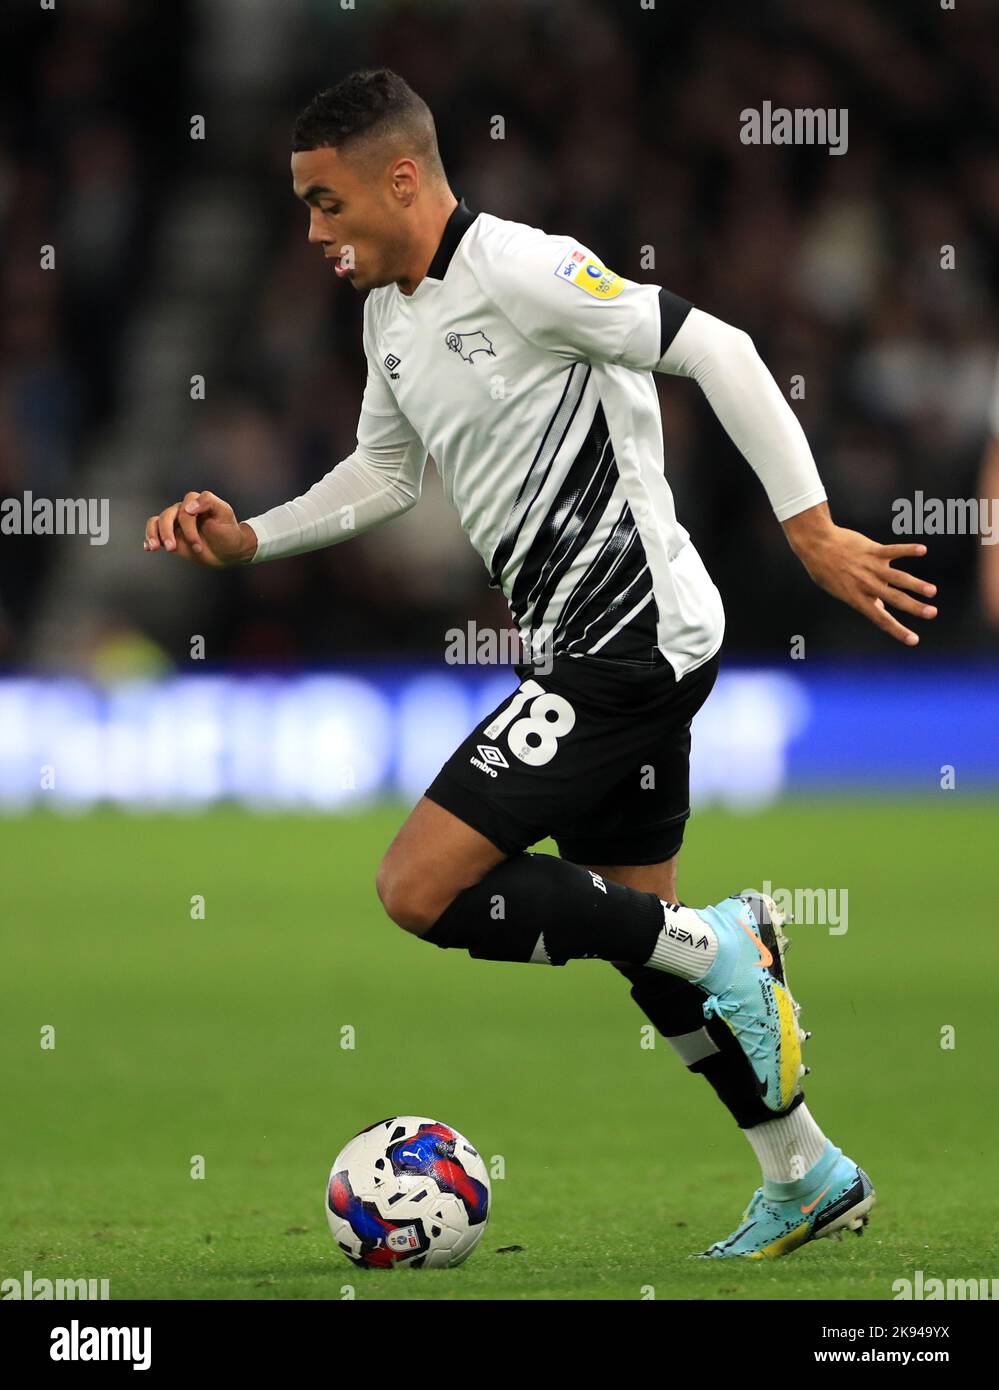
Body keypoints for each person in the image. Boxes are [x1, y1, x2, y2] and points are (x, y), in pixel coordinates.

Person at [145, 68, 938, 1259]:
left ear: (400, 179)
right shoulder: (389, 313)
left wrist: (810, 524)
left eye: (325, 202)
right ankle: (806, 1168)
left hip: (632, 642)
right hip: (597, 647)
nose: (312, 231)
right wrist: (254, 536)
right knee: (641, 930)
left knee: (420, 887)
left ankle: (732, 944)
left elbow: (711, 345)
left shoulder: (520, 269)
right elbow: (387, 472)